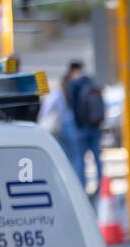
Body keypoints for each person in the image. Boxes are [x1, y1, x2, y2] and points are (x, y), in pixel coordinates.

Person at [66, 61, 106, 194]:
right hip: (95, 126)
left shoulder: (72, 85)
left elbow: (71, 105)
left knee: (80, 159)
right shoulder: (91, 82)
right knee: (97, 158)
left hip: (80, 127)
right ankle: (102, 185)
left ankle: (82, 188)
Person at [38, 70, 82, 181]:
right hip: (71, 126)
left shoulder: (57, 95)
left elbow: (45, 110)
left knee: (64, 156)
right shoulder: (72, 93)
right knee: (75, 157)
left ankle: (65, 179)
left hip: (61, 127)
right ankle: (77, 180)